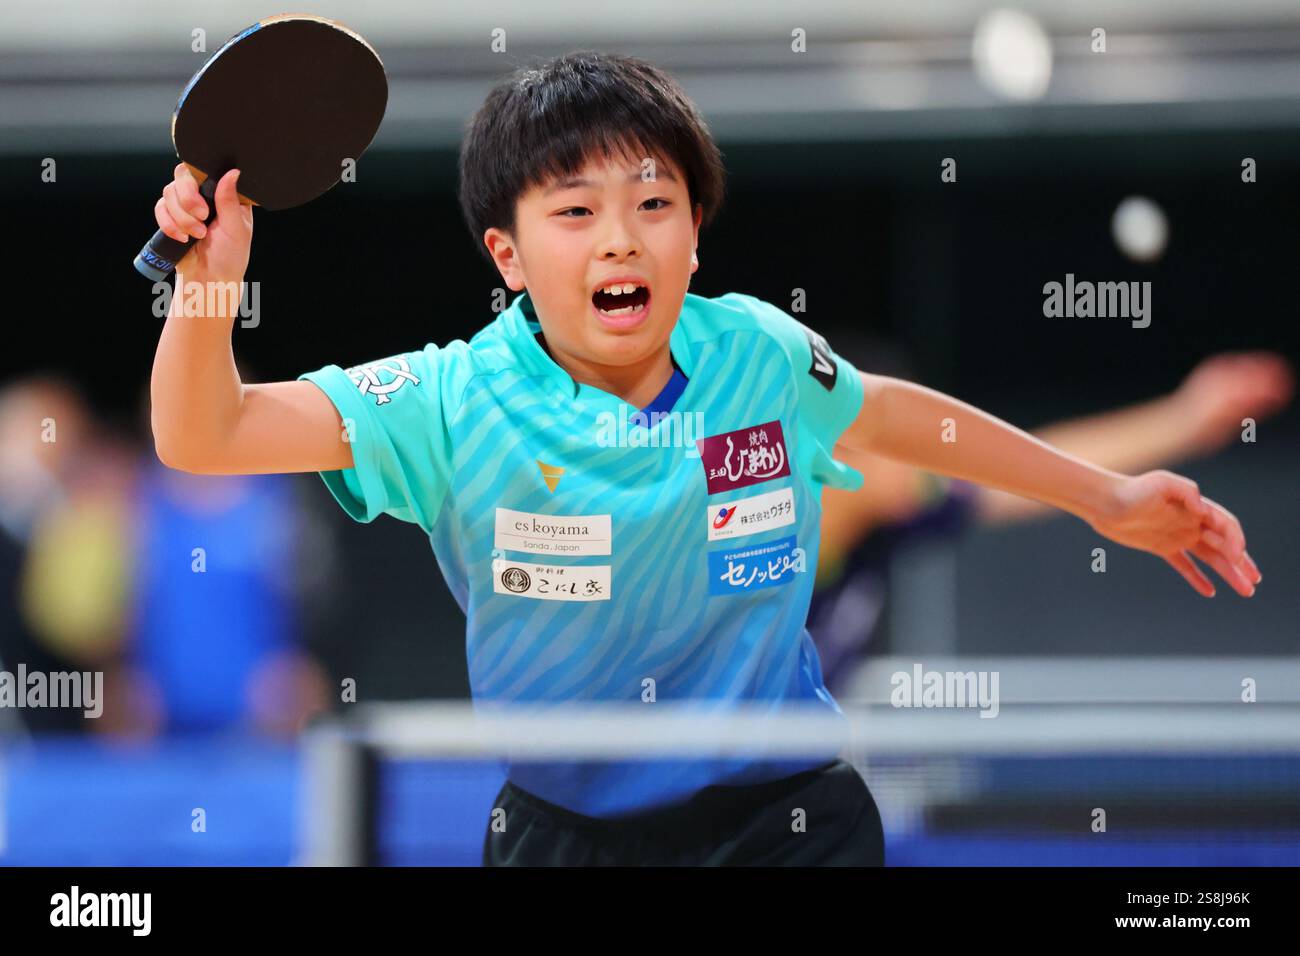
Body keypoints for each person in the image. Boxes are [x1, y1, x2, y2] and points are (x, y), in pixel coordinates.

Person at [147, 52, 1259, 866]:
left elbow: (897, 419)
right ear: (508, 253)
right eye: (575, 211)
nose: (620, 236)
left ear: (693, 235)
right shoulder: (446, 400)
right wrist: (208, 286)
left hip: (783, 817)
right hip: (563, 834)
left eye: (652, 204)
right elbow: (207, 432)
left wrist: (1103, 495)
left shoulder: (755, 355)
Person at [811, 351, 1293, 694]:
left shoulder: (887, 527)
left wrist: (1183, 420)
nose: (916, 460)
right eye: (894, 447)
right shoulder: (754, 540)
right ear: (839, 447)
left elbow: (1029, 472)